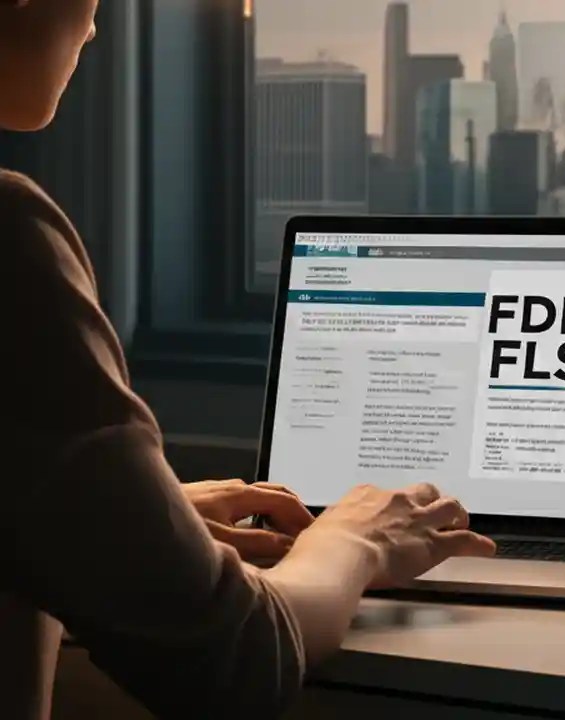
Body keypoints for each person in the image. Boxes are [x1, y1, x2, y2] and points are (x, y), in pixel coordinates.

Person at [0, 1, 497, 718]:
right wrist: (352, 539)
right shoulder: (11, 241)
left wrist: (131, 522)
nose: (95, 25)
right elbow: (236, 662)